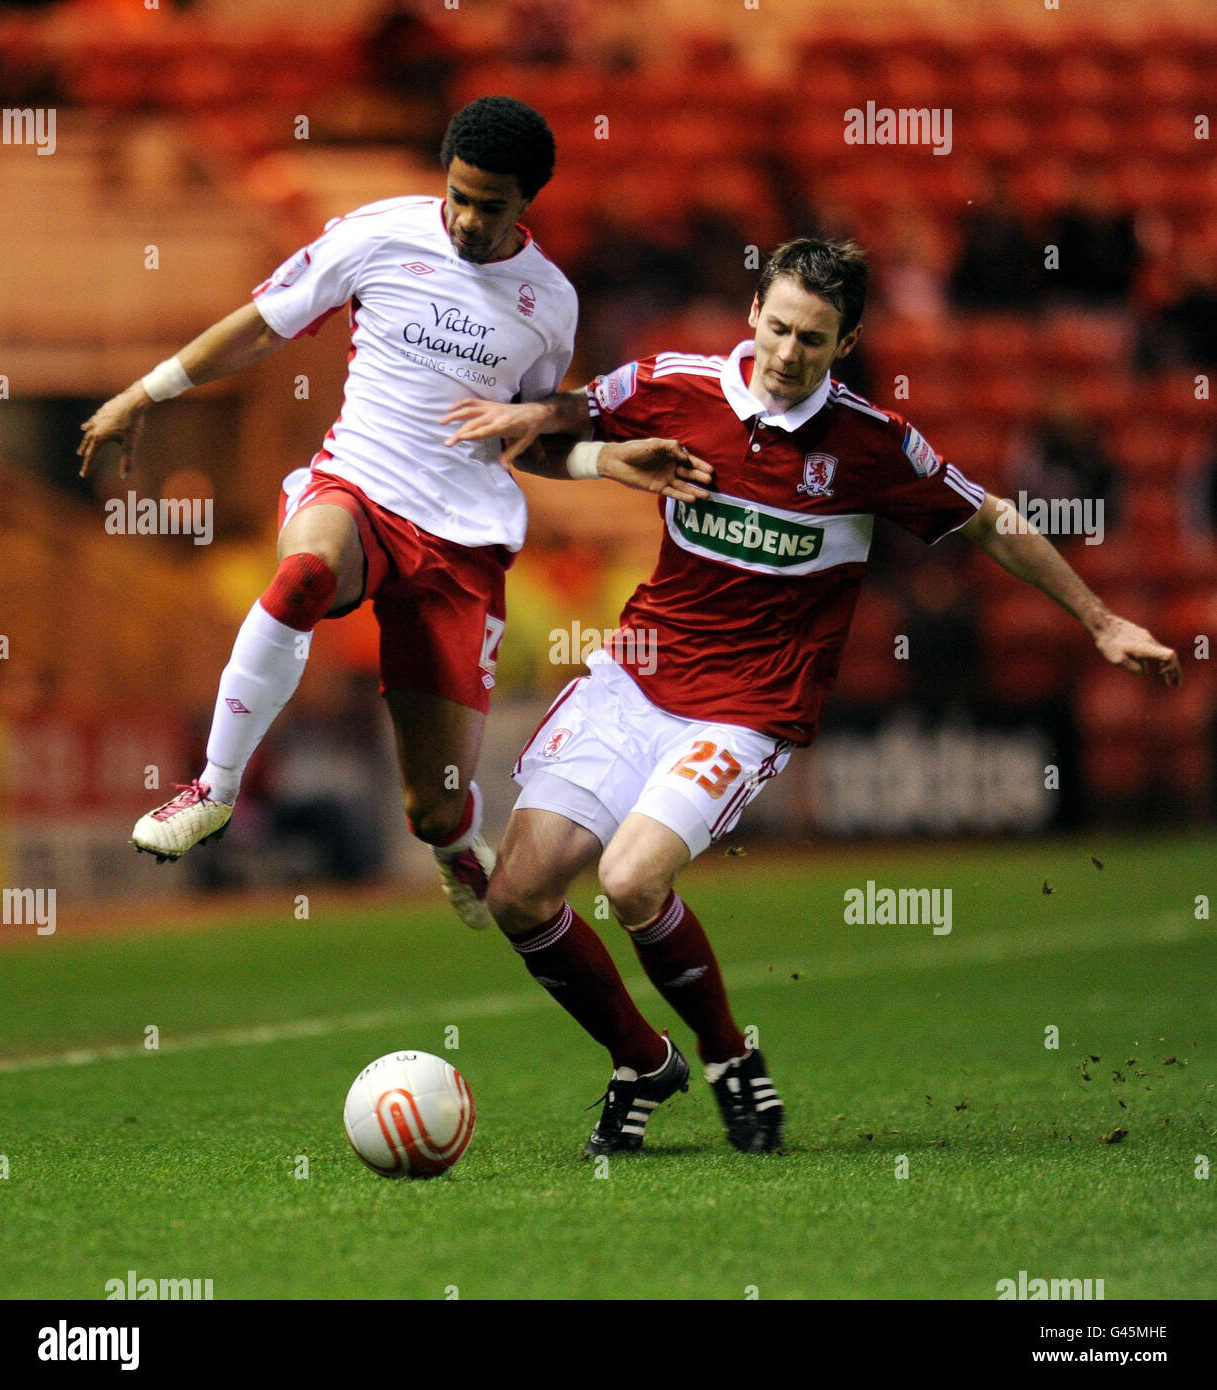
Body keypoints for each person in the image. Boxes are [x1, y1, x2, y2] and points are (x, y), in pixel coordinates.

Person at [441, 237, 1182, 1156]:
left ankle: (725, 1057)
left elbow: (990, 518)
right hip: (632, 680)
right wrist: (559, 436)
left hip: (746, 708)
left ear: (846, 341)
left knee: (631, 879)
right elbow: (557, 427)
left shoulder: (871, 446)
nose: (789, 352)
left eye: (814, 339)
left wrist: (1101, 621)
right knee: (517, 895)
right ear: (754, 313)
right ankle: (643, 1060)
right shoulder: (672, 383)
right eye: (780, 327)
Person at [77, 96, 710, 929]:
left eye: (491, 205)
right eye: (459, 194)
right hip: (359, 489)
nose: (467, 219)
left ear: (527, 205)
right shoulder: (379, 233)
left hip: (462, 545)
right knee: (304, 572)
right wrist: (145, 392)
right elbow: (265, 326)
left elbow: (531, 438)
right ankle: (213, 788)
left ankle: (453, 845)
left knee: (431, 805)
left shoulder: (548, 303)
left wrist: (602, 459)